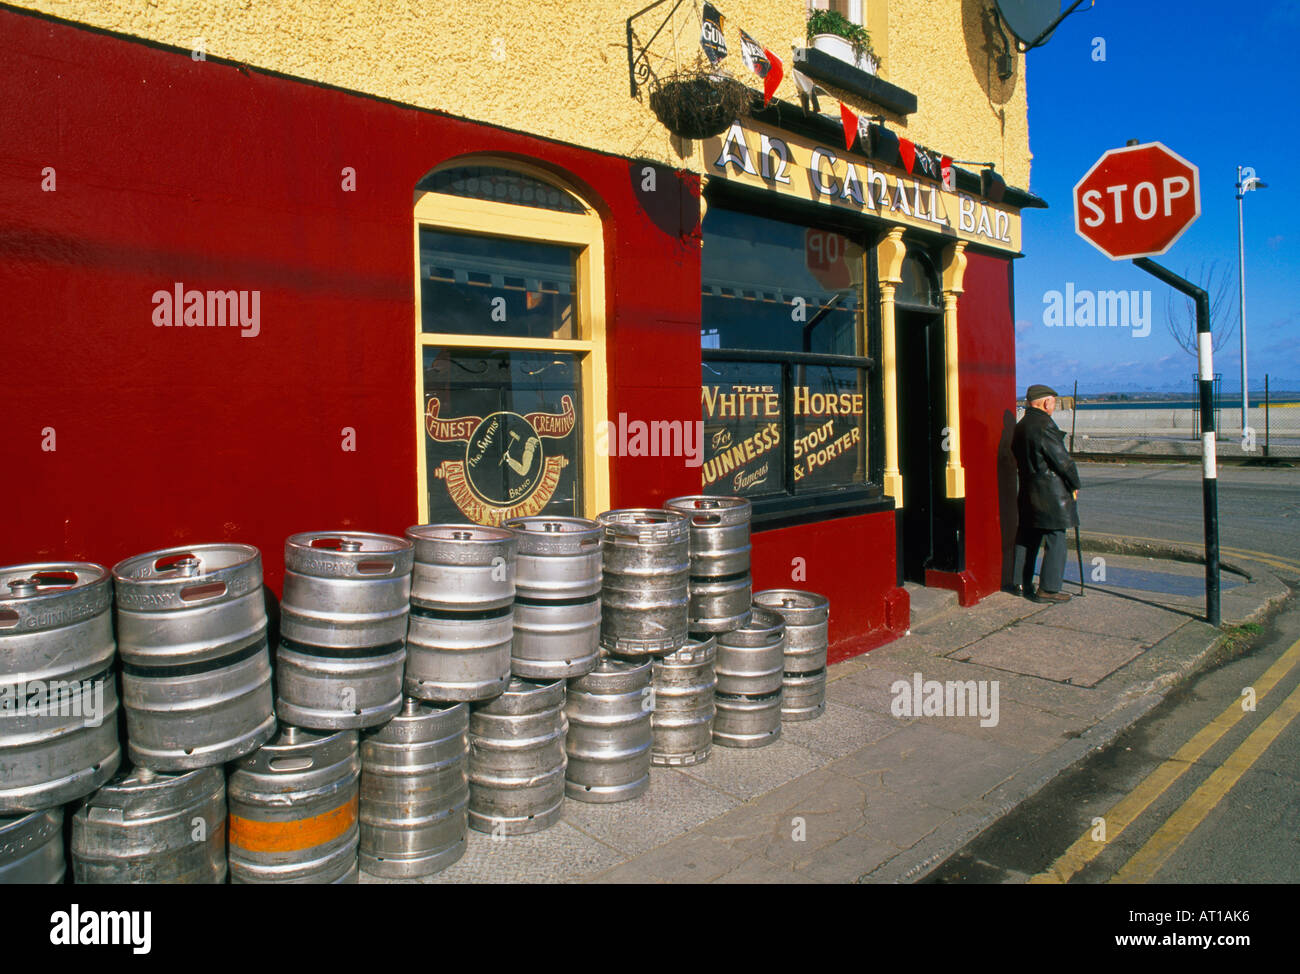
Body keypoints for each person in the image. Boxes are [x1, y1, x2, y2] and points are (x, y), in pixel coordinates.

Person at [1011, 384, 1081, 603]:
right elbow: (1062, 461)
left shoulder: (1021, 425)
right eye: (1052, 401)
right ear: (1044, 402)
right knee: (1056, 537)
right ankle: (1048, 589)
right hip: (1050, 492)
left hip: (1028, 488)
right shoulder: (1044, 425)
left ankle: (1021, 583)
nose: (1053, 405)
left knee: (1027, 536)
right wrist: (1074, 483)